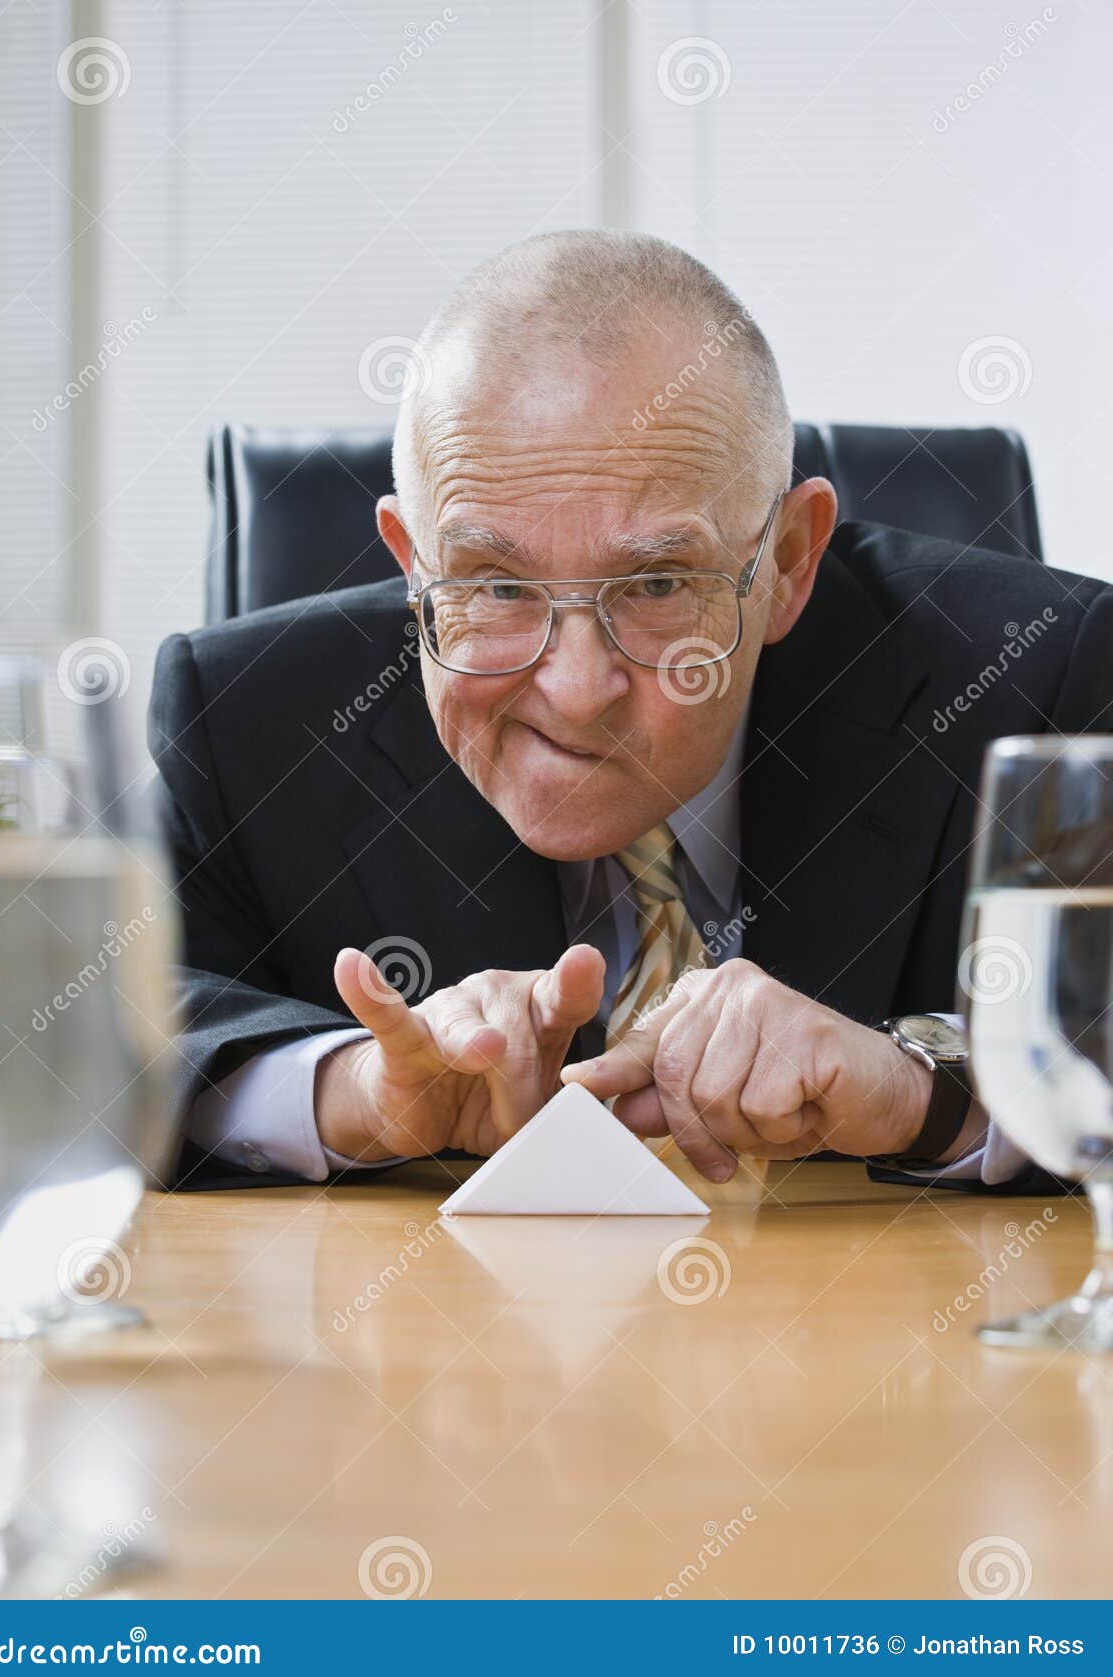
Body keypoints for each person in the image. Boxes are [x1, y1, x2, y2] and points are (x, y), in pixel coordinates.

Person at [150, 230, 1113, 1195]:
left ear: (785, 563)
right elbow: (52, 1036)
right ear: (411, 562)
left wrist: (926, 1094)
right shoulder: (248, 722)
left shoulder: (1044, 682)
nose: (575, 690)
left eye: (657, 582)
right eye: (494, 586)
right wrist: (346, 1093)